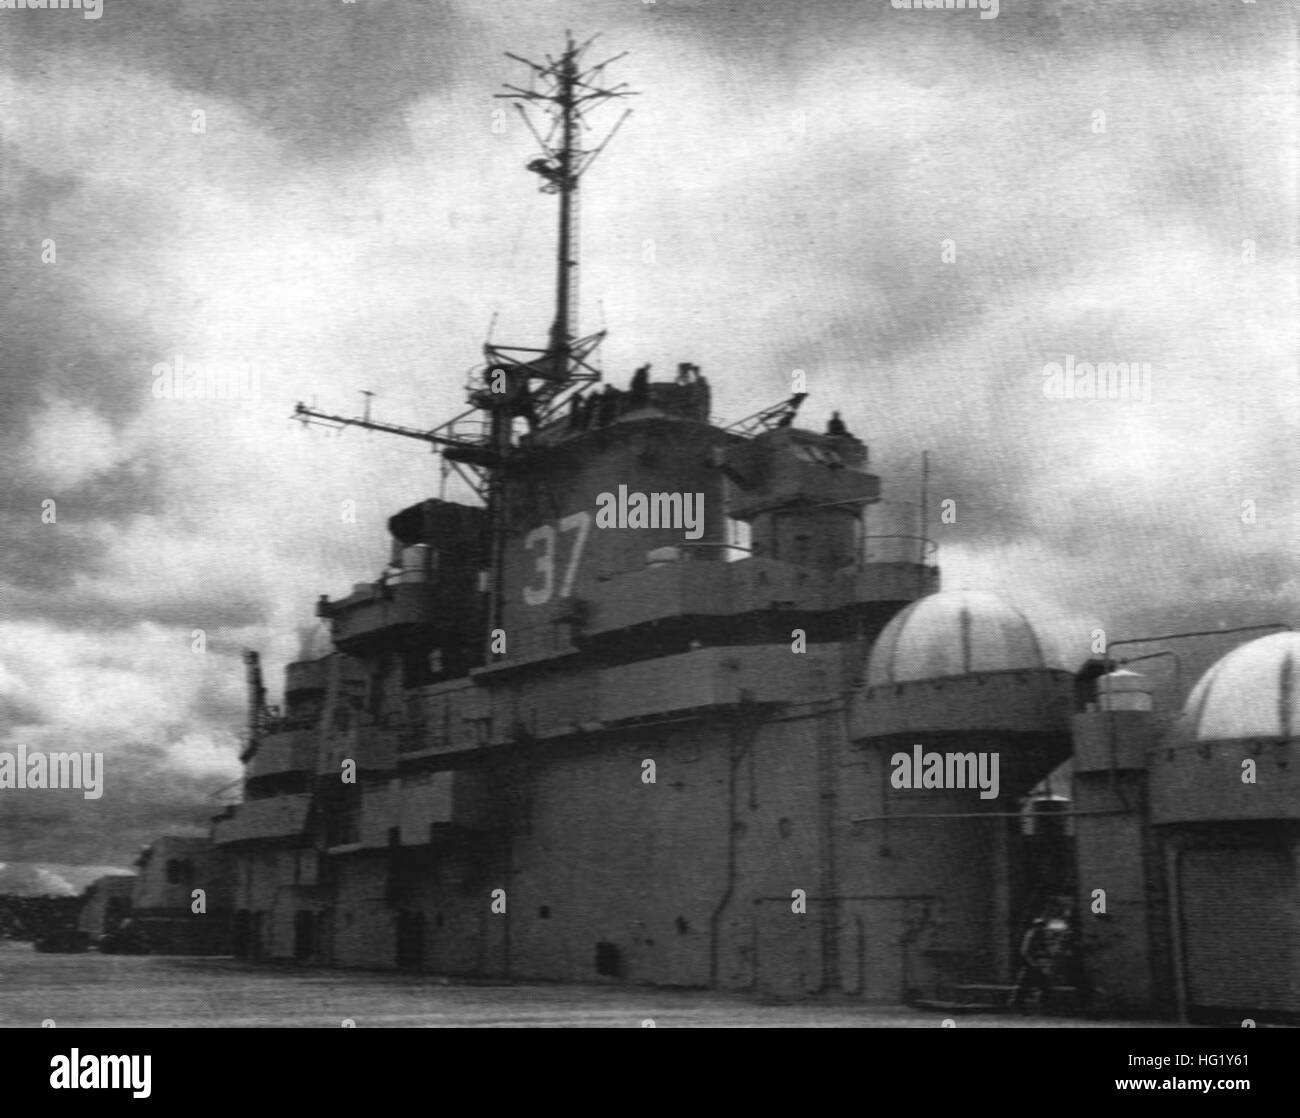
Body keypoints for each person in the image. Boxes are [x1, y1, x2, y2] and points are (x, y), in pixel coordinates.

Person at [1008, 915, 1054, 1013]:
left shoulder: (1039, 935)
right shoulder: (1031, 935)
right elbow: (1025, 951)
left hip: (1033, 965)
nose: (1042, 928)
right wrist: (1032, 964)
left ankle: (1019, 1004)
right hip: (1029, 964)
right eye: (1040, 926)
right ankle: (1017, 1004)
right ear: (1036, 926)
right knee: (1029, 984)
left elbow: (1044, 948)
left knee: (1033, 984)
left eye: (1043, 926)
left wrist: (1049, 955)